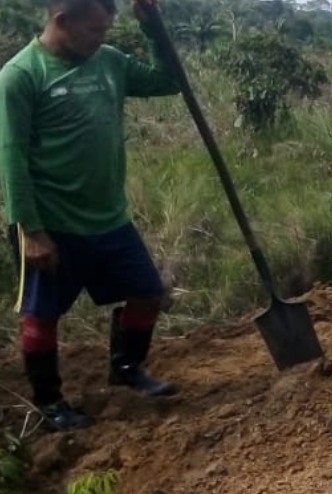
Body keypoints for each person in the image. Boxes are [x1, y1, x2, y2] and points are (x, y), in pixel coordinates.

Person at [1, 0, 182, 431]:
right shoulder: (20, 76)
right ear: (61, 21)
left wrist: (152, 28)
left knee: (147, 293)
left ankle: (126, 369)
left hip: (109, 218)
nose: (101, 39)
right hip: (51, 223)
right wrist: (31, 230)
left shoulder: (110, 62)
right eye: (94, 31)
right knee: (42, 315)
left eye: (106, 30)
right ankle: (50, 404)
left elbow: (170, 81)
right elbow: (12, 160)